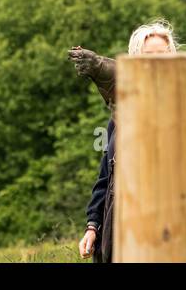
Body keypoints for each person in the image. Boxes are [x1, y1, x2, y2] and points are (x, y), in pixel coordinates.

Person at [69, 19, 179, 263]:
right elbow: (105, 177)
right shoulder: (117, 121)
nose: (156, 63)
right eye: (148, 56)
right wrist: (92, 226)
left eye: (162, 56)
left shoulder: (182, 108)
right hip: (116, 230)